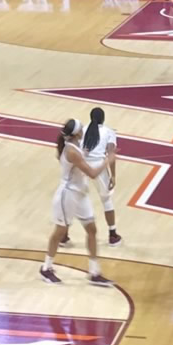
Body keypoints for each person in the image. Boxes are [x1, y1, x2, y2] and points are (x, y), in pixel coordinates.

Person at [40, 119, 109, 285]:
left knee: (91, 229)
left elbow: (81, 157)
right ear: (77, 133)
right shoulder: (71, 151)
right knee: (59, 233)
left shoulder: (74, 146)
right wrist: (108, 161)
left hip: (80, 193)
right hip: (68, 194)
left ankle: (94, 272)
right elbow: (92, 173)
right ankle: (46, 268)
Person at [81, 108, 122, 247]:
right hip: (99, 166)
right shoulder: (109, 131)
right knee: (106, 200)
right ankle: (112, 235)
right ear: (103, 119)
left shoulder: (83, 129)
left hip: (82, 165)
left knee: (74, 198)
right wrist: (113, 176)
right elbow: (111, 154)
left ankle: (63, 235)